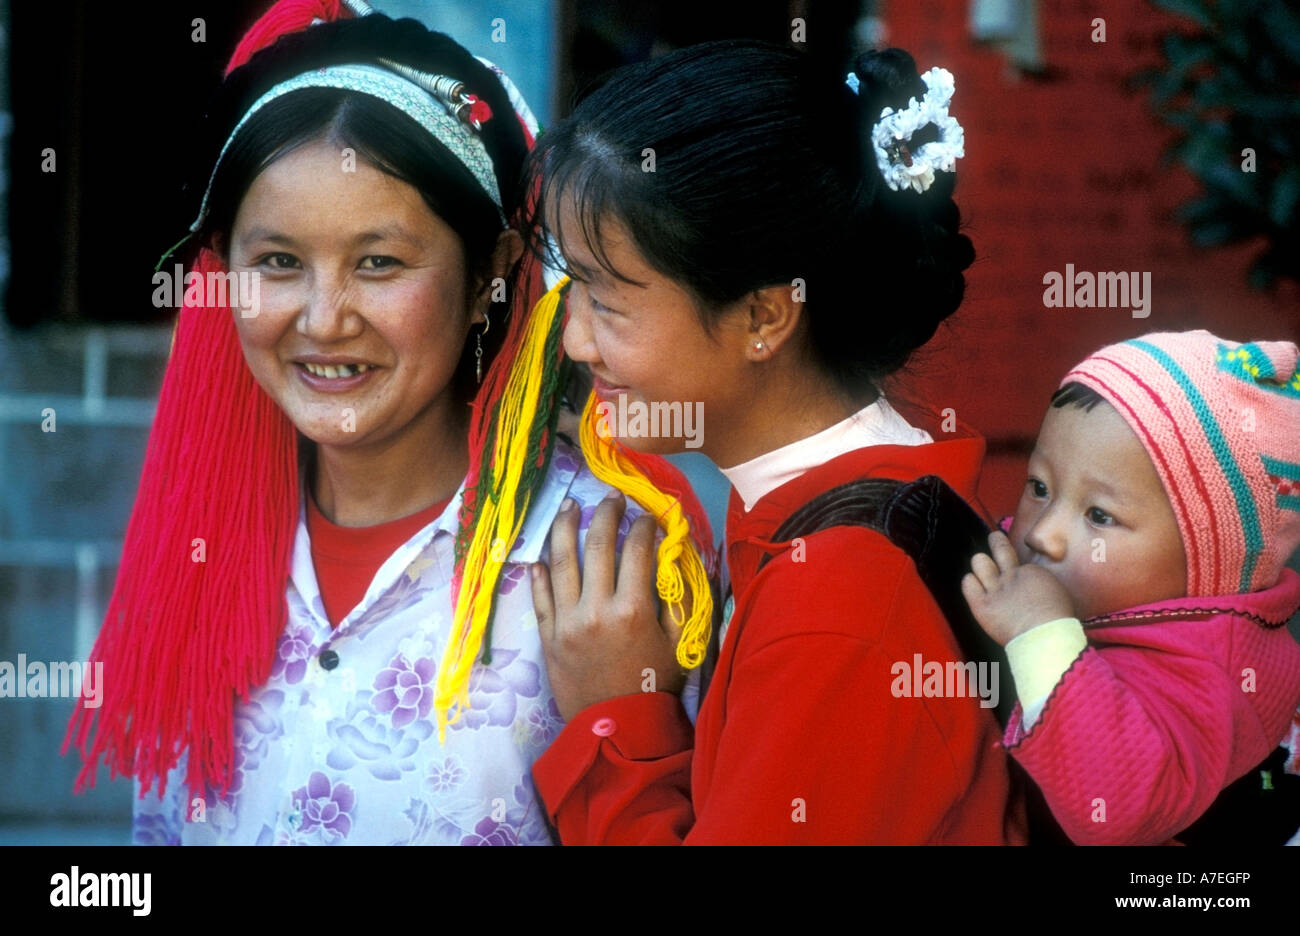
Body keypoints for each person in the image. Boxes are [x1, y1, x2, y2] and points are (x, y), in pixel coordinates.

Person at [63, 0, 714, 846]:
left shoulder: (609, 565)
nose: (323, 318)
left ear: (490, 273)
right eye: (279, 262)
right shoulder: (202, 552)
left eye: (378, 262)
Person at [523, 41, 1024, 843]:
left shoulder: (838, 603)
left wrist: (617, 717)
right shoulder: (843, 526)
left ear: (763, 317)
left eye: (607, 302)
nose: (575, 340)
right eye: (571, 288)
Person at [962, 330, 1300, 845]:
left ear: (1210, 563)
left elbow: (1113, 810)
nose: (1042, 534)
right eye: (1040, 487)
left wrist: (1039, 632)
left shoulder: (1215, 668)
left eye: (1099, 515)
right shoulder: (1119, 591)